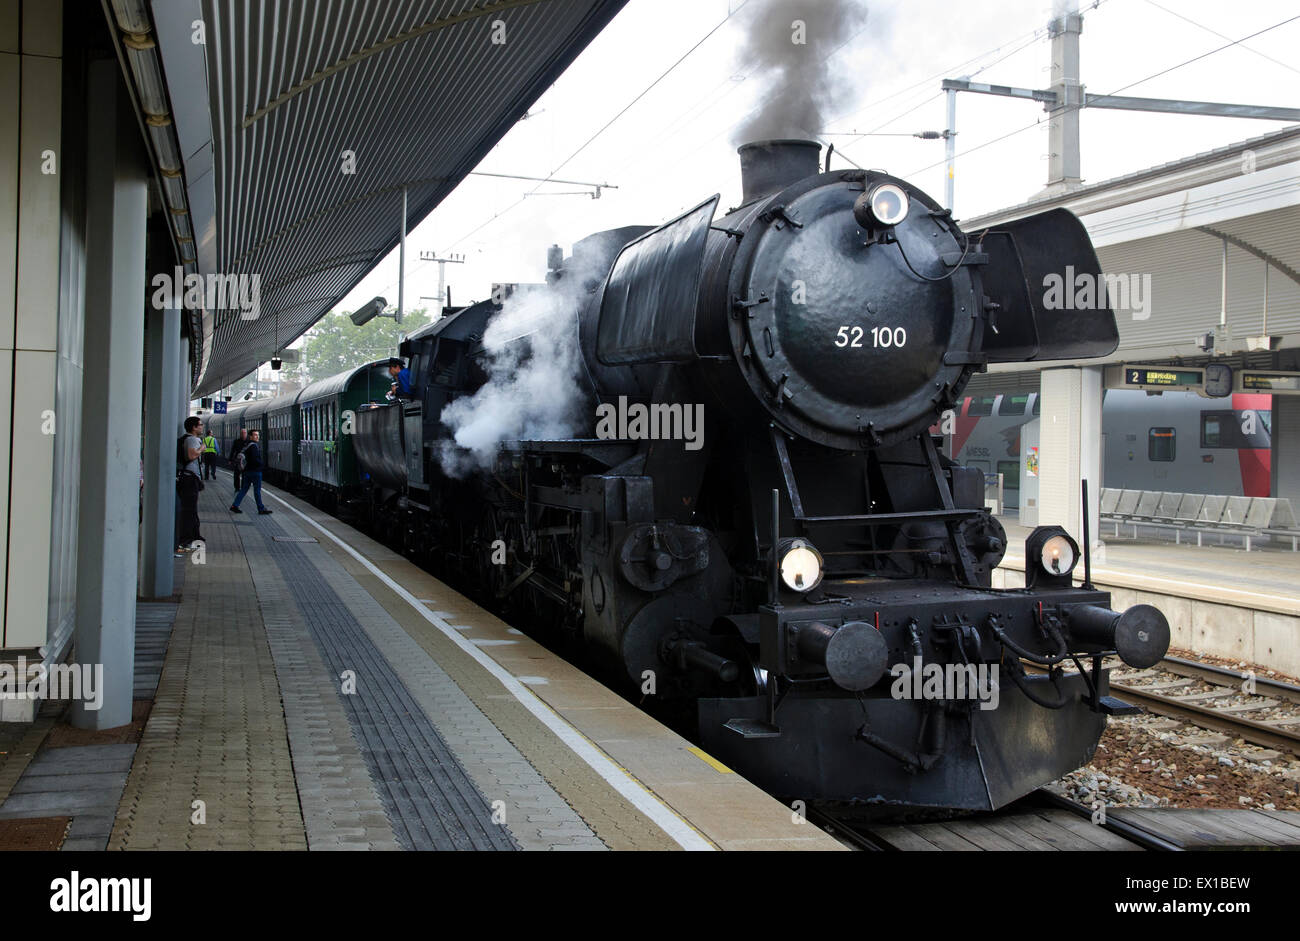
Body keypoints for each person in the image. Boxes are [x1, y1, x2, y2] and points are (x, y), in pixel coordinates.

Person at [176, 416, 204, 554]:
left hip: (187, 478)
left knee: (190, 511)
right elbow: (192, 456)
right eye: (200, 424)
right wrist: (202, 448)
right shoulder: (192, 439)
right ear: (194, 427)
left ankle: (193, 538)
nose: (202, 426)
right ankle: (185, 542)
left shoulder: (187, 439)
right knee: (189, 511)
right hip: (189, 479)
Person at [230, 429, 272, 515]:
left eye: (258, 435)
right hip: (255, 472)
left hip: (246, 471)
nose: (257, 437)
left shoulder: (247, 445)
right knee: (257, 491)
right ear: (251, 436)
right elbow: (255, 460)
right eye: (255, 435)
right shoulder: (253, 446)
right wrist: (262, 466)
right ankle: (261, 508)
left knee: (244, 489)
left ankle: (235, 505)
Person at [229, 427, 249, 492]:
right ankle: (237, 487)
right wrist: (230, 459)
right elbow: (233, 450)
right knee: (236, 475)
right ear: (240, 434)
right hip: (238, 460)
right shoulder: (236, 441)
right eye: (242, 433)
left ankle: (243, 488)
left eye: (245, 433)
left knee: (244, 475)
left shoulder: (249, 442)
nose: (243, 434)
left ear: (247, 434)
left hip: (246, 461)